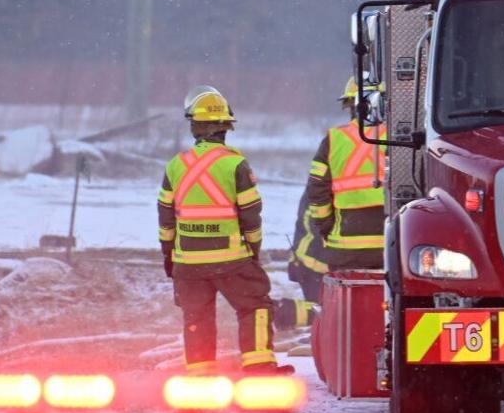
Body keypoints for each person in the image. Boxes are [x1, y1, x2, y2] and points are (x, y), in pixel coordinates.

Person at [159, 86, 290, 374]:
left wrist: (170, 257)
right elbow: (251, 218)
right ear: (226, 128)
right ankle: (259, 366)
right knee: (254, 304)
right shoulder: (235, 165)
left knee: (197, 315)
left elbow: (166, 221)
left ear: (194, 127)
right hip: (230, 259)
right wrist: (252, 254)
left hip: (188, 262)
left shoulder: (175, 166)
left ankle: (200, 373)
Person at [294, 78, 387, 303]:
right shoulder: (401, 137)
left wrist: (327, 229)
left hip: (346, 248)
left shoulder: (335, 139)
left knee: (347, 310)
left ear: (352, 105)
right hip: (392, 245)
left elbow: (316, 194)